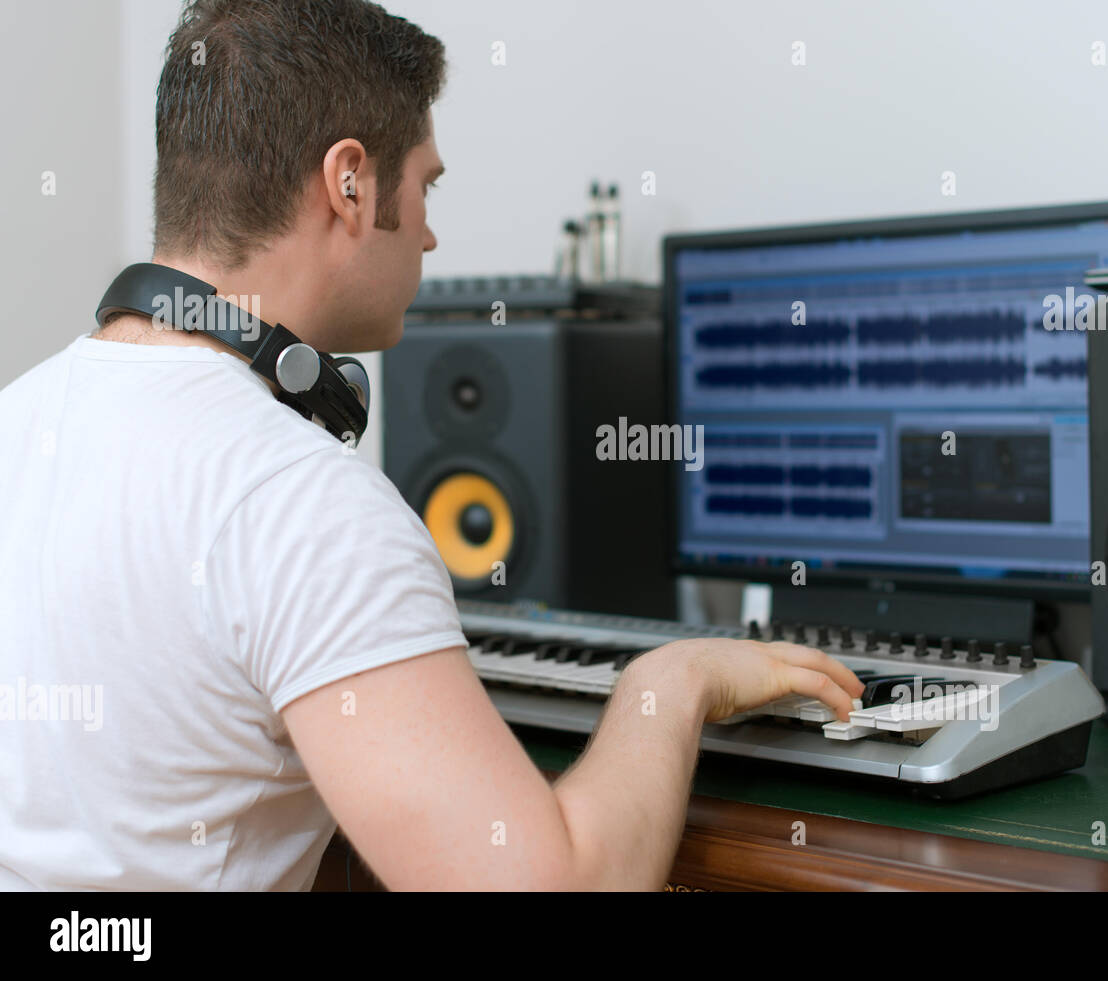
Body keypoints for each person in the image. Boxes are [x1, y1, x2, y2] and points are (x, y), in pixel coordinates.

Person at [0, 0, 863, 891]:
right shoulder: (301, 503)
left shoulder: (18, 421)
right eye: (426, 185)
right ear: (350, 183)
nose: (430, 231)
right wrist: (670, 681)